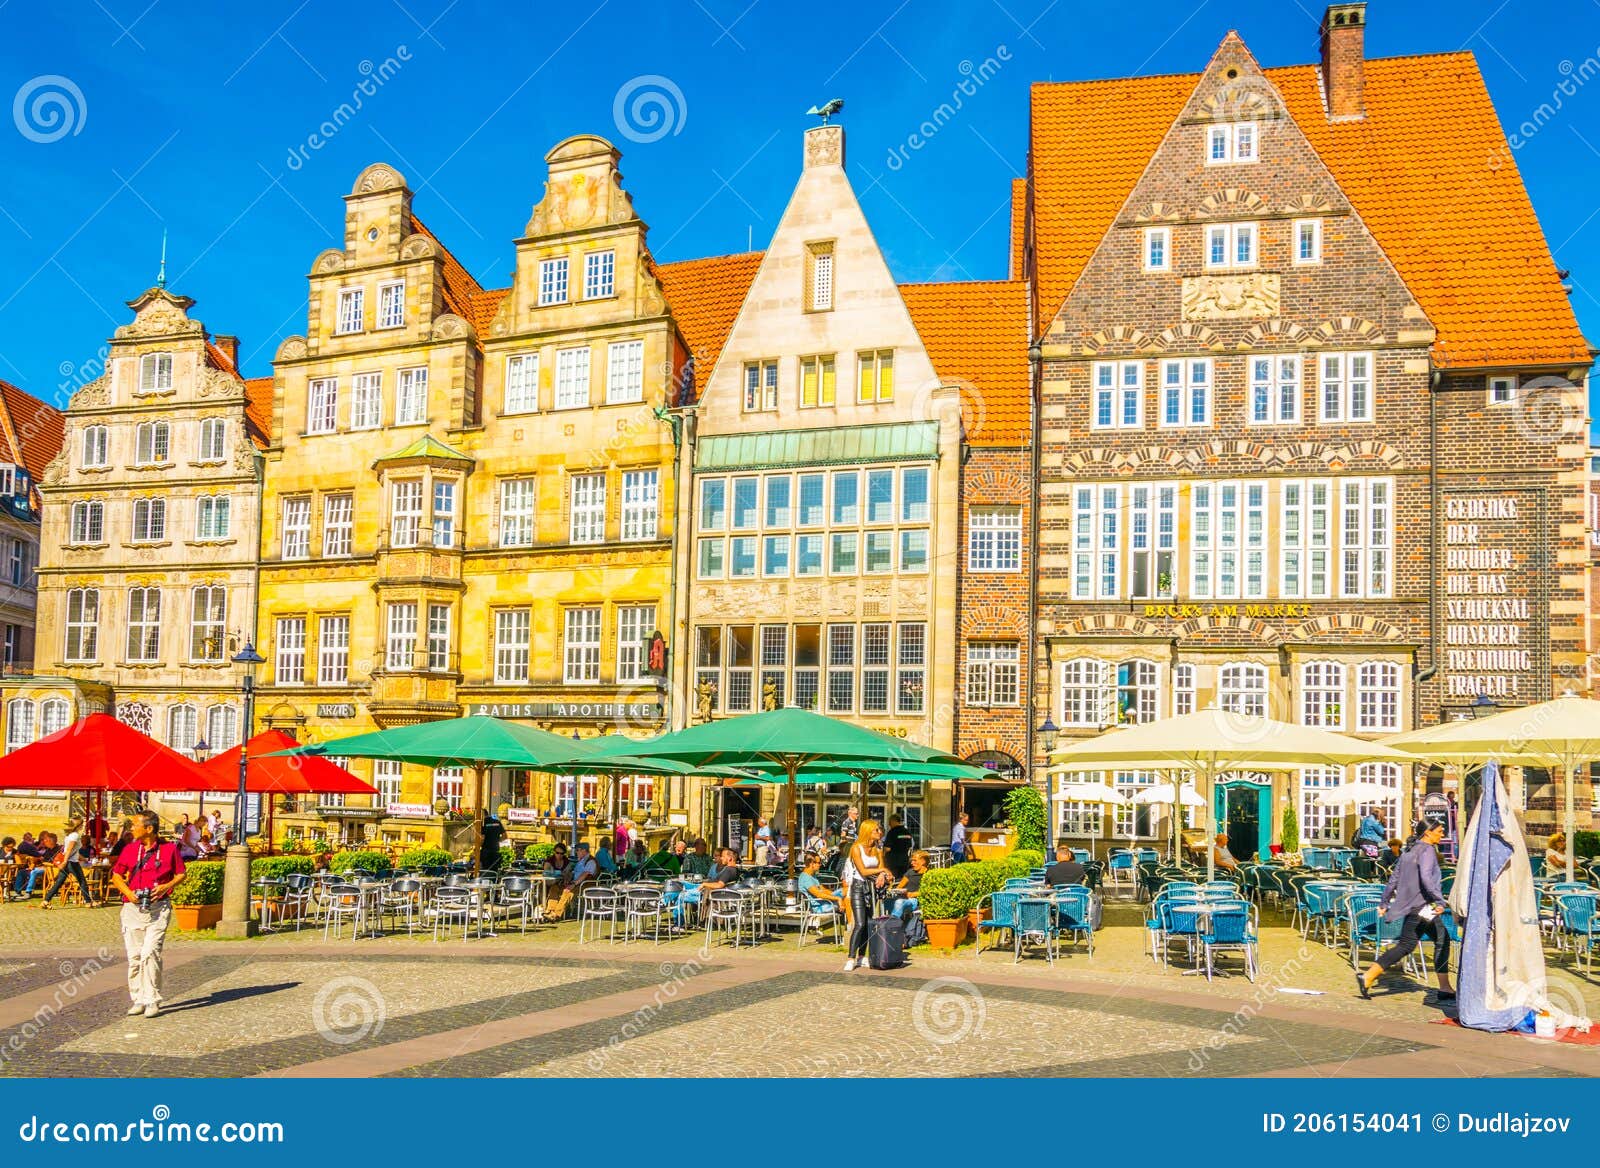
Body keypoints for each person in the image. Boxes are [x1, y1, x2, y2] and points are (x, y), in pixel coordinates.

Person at [1358, 818, 1456, 1003]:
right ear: (1428, 832)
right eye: (1440, 831)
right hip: (1423, 905)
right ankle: (1368, 976)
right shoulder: (1427, 850)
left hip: (1418, 906)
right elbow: (1427, 878)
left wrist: (1384, 901)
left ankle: (1445, 988)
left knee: (1440, 939)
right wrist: (1440, 900)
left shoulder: (1409, 851)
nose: (1442, 834)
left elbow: (1394, 878)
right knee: (1409, 945)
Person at [108, 810, 186, 1018]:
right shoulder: (130, 849)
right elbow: (116, 875)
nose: (131, 828)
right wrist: (128, 893)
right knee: (135, 957)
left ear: (149, 828)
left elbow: (181, 873)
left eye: (135, 824)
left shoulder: (169, 849)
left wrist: (165, 886)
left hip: (158, 908)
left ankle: (152, 999)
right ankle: (138, 998)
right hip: (132, 909)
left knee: (150, 952)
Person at [842, 818, 889, 972]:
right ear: (868, 831)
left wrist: (882, 874)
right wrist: (881, 872)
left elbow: (882, 866)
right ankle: (851, 957)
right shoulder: (856, 848)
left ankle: (862, 956)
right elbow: (863, 871)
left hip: (871, 887)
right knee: (860, 923)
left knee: (868, 923)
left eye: (880, 830)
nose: (880, 832)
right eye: (877, 830)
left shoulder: (878, 848)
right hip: (858, 886)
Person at [41, 820, 93, 909]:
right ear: (78, 826)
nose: (83, 826)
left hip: (69, 860)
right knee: (82, 881)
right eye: (82, 825)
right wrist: (65, 861)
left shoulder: (68, 836)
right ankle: (88, 902)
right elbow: (69, 849)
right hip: (71, 862)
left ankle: (46, 900)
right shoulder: (75, 836)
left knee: (59, 882)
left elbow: (73, 851)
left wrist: (84, 859)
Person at [798, 852, 845, 919]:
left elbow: (823, 890)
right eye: (819, 862)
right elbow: (818, 894)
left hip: (824, 902)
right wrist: (838, 898)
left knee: (846, 891)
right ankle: (851, 925)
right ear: (812, 864)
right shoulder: (806, 878)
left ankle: (851, 924)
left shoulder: (812, 875)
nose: (820, 865)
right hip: (819, 907)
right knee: (847, 899)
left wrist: (835, 896)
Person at [886, 849, 929, 921]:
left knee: (899, 902)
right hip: (904, 897)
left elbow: (928, 891)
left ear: (923, 861)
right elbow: (899, 886)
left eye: (915, 860)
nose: (912, 863)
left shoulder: (928, 874)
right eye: (912, 861)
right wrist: (893, 889)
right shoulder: (910, 872)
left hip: (915, 900)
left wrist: (913, 894)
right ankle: (893, 921)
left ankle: (893, 922)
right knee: (887, 901)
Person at [883, 814, 914, 878]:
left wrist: (883, 856)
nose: (889, 824)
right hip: (904, 861)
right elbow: (910, 846)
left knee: (893, 880)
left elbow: (887, 848)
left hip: (893, 862)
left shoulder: (892, 832)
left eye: (889, 822)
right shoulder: (907, 832)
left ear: (893, 821)